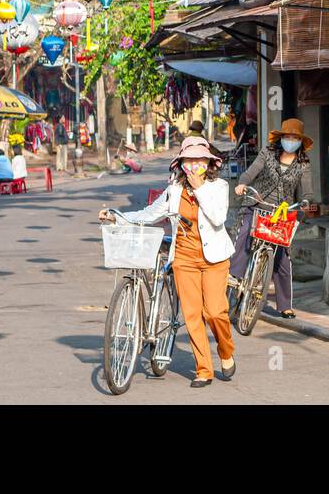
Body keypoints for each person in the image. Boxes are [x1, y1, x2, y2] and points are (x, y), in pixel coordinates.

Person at [100, 136, 235, 387]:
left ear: (209, 162)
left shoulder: (219, 187)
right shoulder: (174, 191)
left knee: (215, 312)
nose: (195, 164)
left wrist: (200, 188)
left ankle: (226, 352)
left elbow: (218, 218)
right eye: (189, 160)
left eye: (200, 159)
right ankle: (203, 369)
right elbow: (149, 214)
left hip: (214, 258)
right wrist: (117, 216)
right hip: (184, 258)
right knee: (193, 314)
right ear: (181, 164)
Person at [230, 118, 313, 319]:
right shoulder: (267, 154)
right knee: (245, 236)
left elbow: (307, 193)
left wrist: (305, 203)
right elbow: (249, 174)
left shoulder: (303, 164)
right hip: (256, 204)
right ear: (281, 138)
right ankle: (235, 277)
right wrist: (242, 184)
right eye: (287, 136)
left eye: (295, 137)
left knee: (282, 259)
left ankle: (284, 305)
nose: (290, 140)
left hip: (281, 215)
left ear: (300, 141)